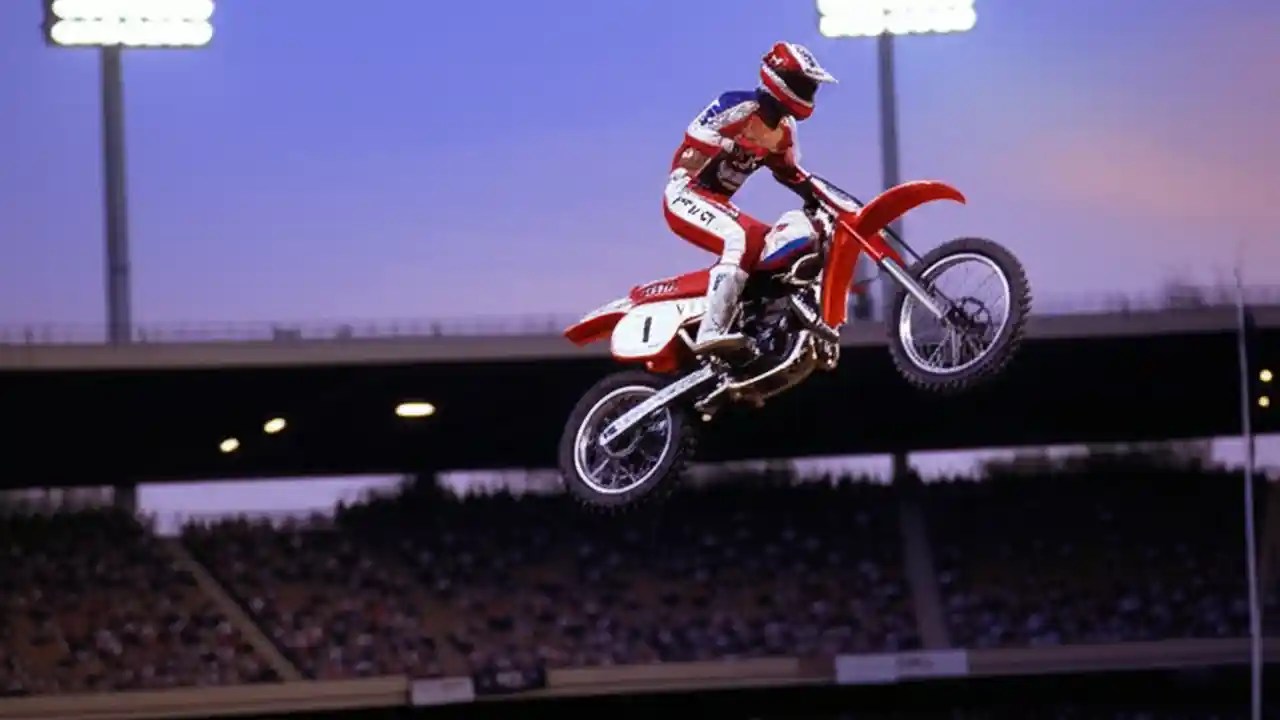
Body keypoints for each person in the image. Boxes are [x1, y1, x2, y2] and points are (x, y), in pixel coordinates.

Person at [665, 41, 838, 355]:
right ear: (779, 80)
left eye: (810, 86)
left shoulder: (784, 130)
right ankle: (711, 331)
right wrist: (733, 145)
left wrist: (822, 200)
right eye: (802, 84)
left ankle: (761, 323)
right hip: (686, 192)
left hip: (718, 202)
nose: (809, 92)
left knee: (781, 244)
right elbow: (696, 136)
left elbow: (790, 173)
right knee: (742, 237)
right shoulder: (739, 104)